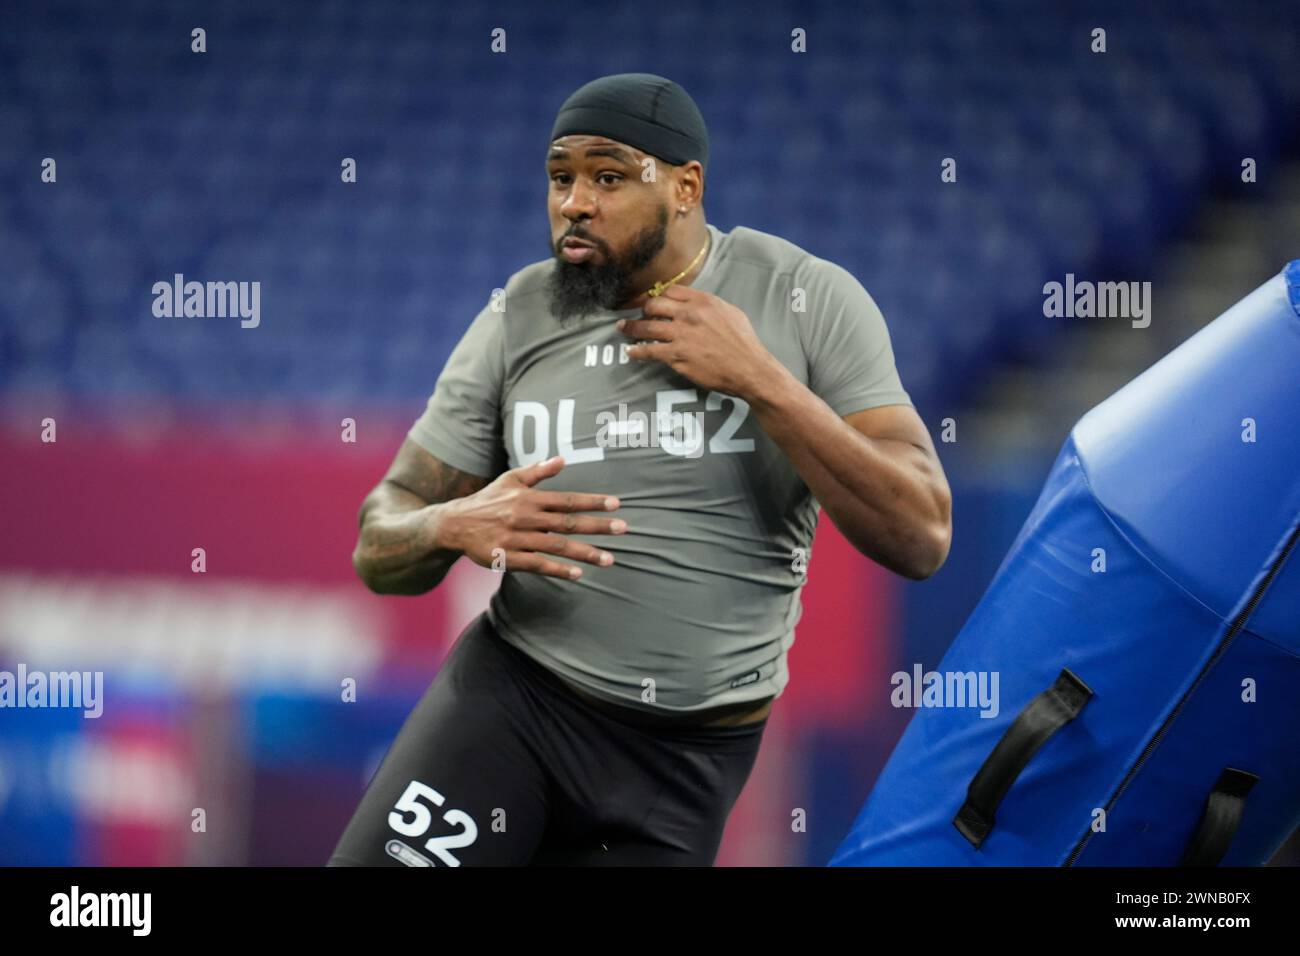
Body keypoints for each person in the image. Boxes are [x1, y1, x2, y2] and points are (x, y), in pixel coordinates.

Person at [328, 72, 951, 866]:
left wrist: (761, 380)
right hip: (512, 704)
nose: (574, 203)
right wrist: (449, 523)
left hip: (682, 763)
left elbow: (922, 536)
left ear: (687, 187)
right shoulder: (519, 315)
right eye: (561, 178)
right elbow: (378, 542)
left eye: (609, 176)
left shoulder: (804, 299)